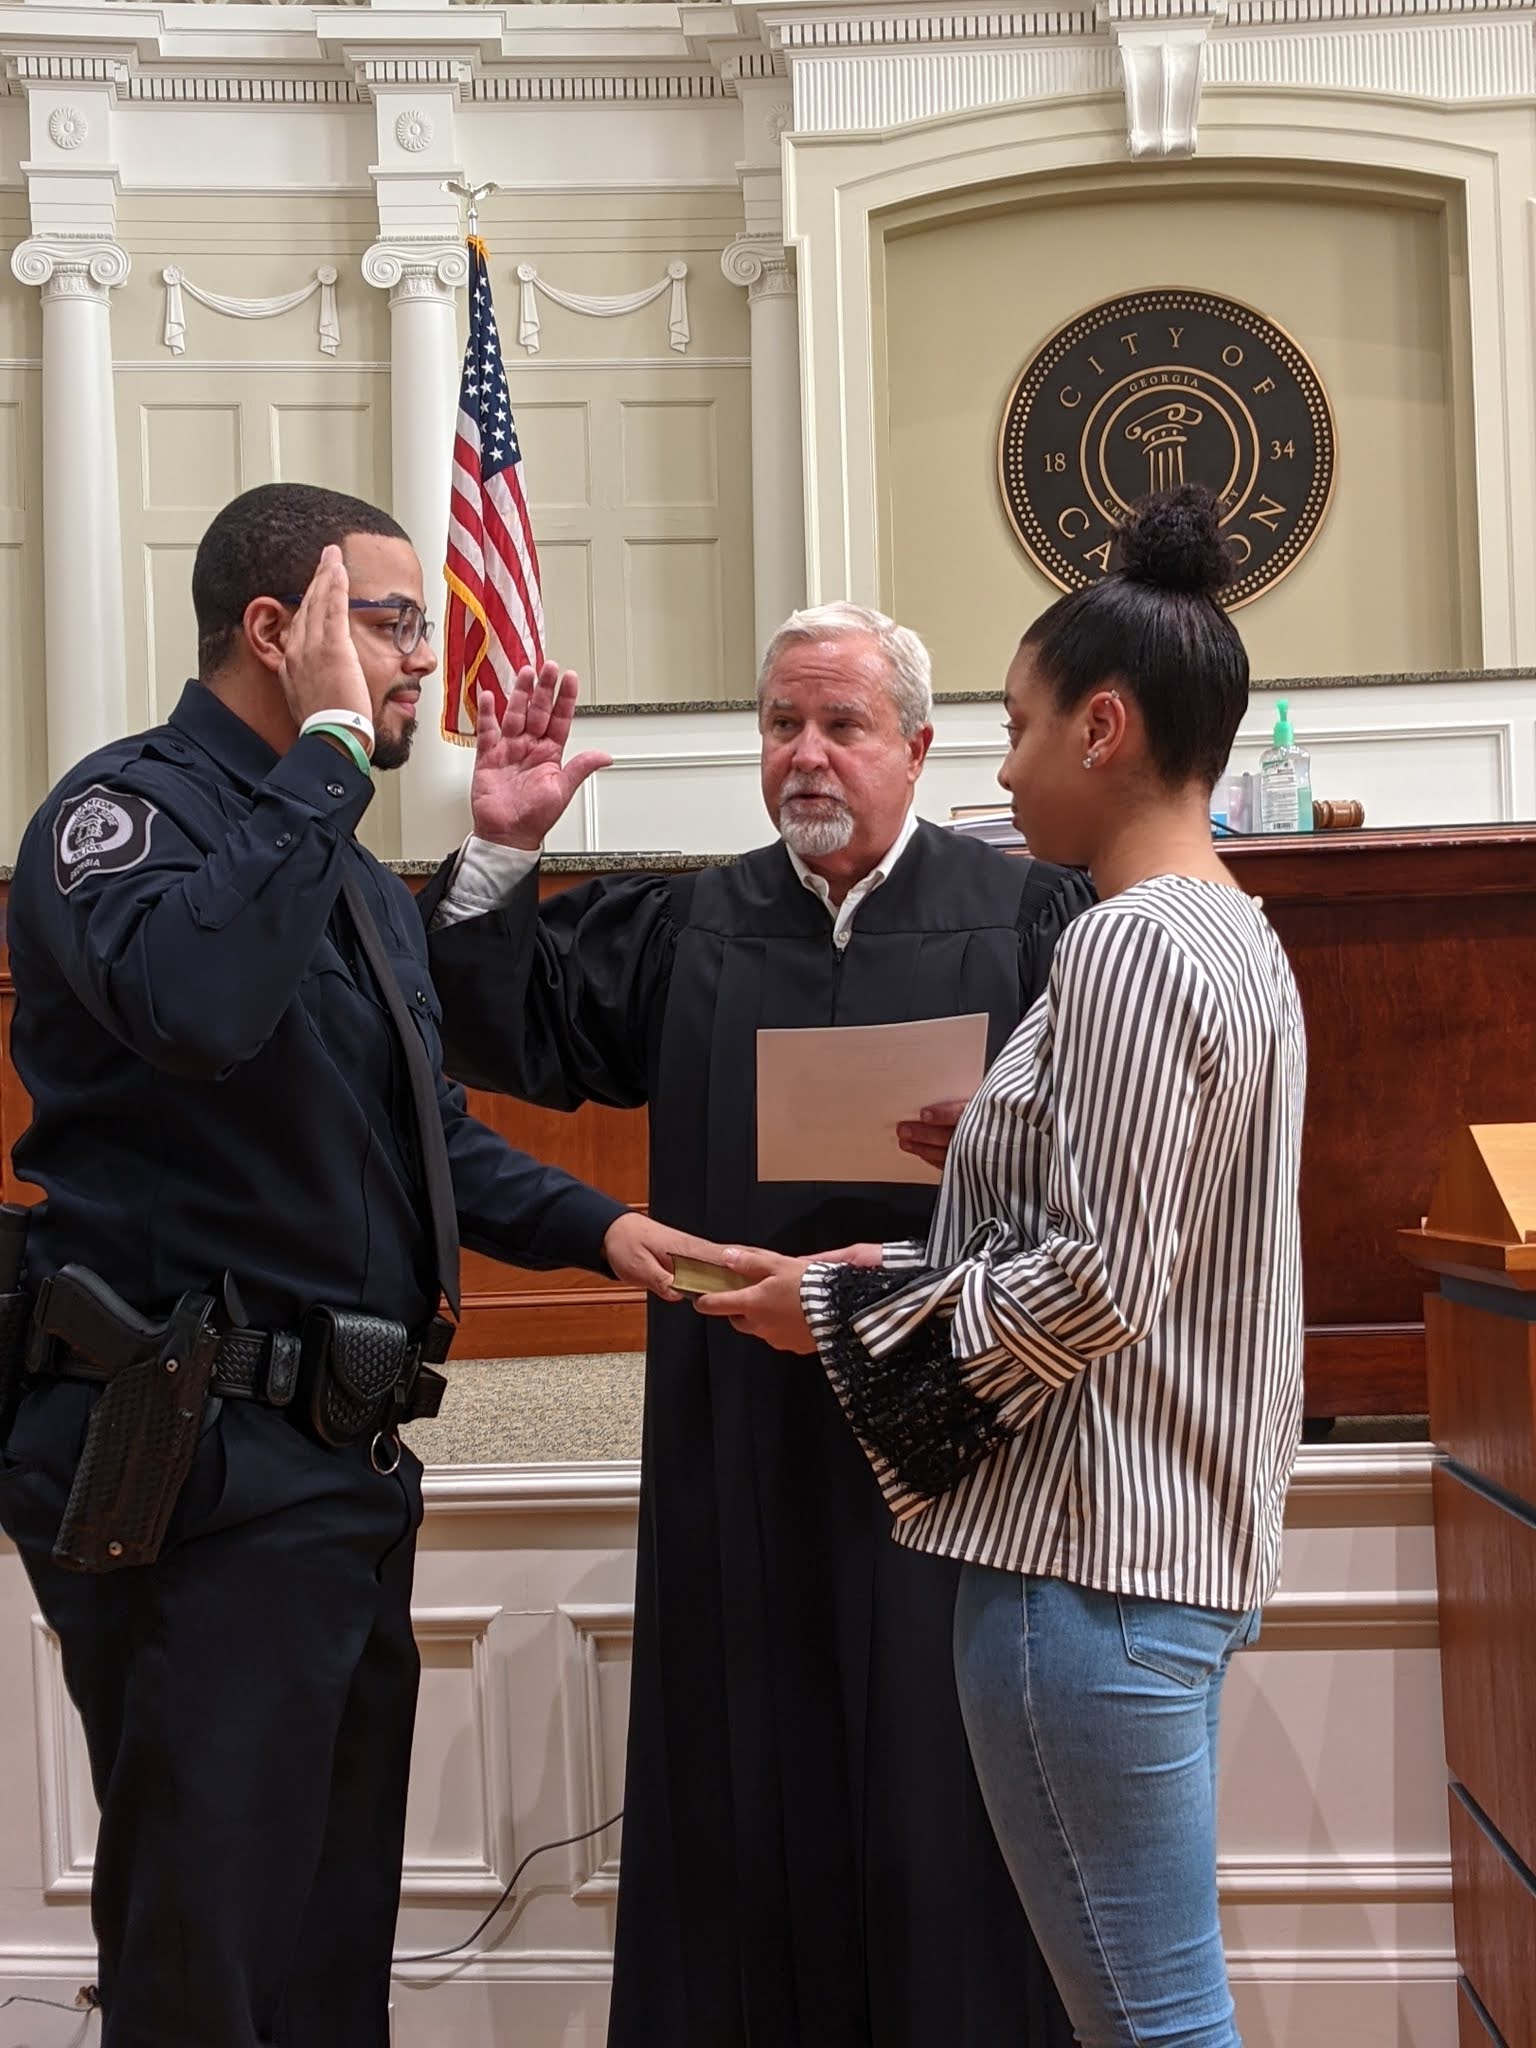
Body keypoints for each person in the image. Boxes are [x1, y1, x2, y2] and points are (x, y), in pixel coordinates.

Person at [0, 482, 703, 2048]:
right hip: (188, 1459)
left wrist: (609, 1228)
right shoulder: (124, 820)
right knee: (210, 1953)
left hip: (331, 1465)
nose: (419, 667)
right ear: (275, 630)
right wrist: (324, 765)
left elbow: (421, 1136)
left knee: (323, 1948)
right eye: (389, 623)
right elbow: (197, 1005)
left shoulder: (327, 859)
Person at [421, 604, 1094, 2048]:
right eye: (781, 724)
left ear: (915, 748)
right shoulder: (694, 921)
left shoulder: (1035, 921)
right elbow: (508, 1030)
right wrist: (503, 844)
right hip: (738, 1429)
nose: (806, 756)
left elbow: (1108, 1177)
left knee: (943, 1778)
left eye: (841, 727)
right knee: (744, 1761)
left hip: (952, 1430)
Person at [704, 487, 1307, 2046]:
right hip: (1171, 1545)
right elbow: (1160, 1230)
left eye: (1020, 724)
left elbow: (1096, 1284)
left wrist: (832, 1313)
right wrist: (1003, 1142)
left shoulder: (1118, 943)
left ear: (1104, 728)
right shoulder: (1233, 930)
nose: (1003, 764)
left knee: (1151, 2023)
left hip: (1086, 1568)